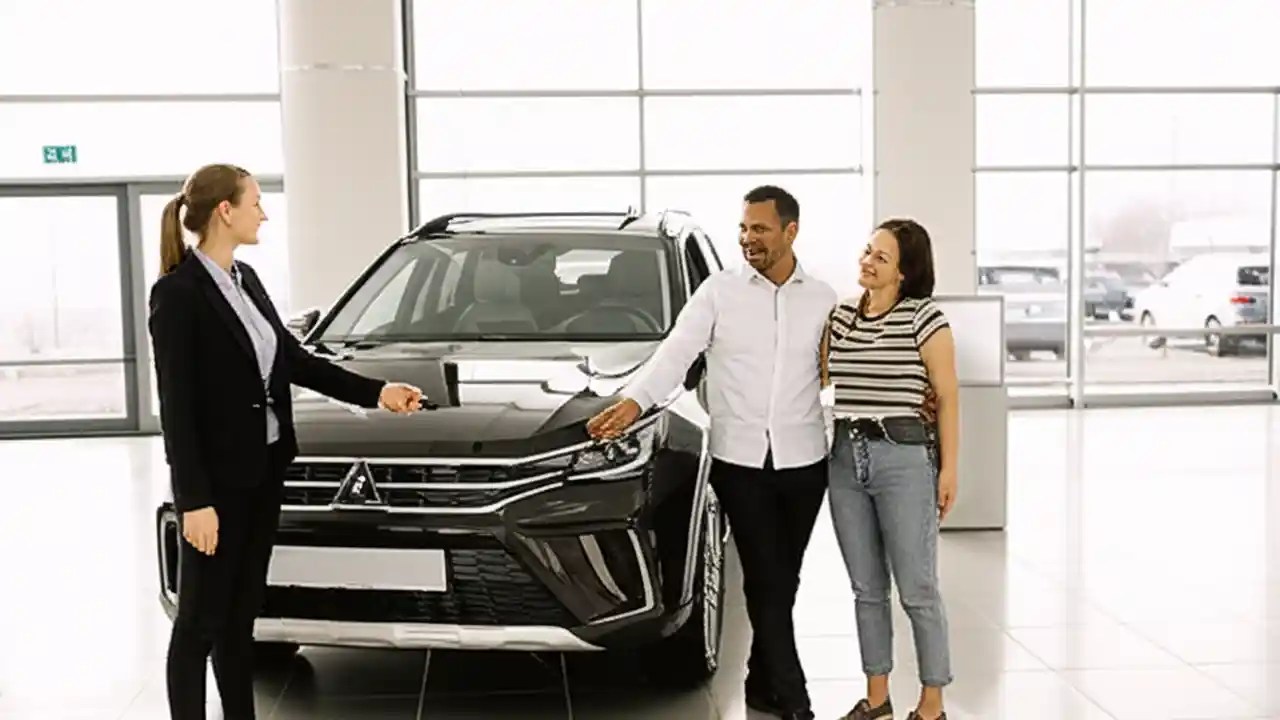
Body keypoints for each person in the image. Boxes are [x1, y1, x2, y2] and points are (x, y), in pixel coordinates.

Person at [149, 163, 424, 720]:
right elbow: (176, 410)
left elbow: (293, 360)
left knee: (240, 616)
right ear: (225, 211)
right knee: (199, 621)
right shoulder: (178, 295)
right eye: (254, 203)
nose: (263, 213)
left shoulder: (246, 280)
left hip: (264, 472)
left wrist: (377, 392)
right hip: (216, 488)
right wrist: (193, 501)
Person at [588, 185, 835, 720]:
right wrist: (634, 403)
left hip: (805, 461)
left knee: (782, 581)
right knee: (767, 579)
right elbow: (675, 352)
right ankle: (796, 702)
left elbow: (841, 368)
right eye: (744, 228)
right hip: (739, 461)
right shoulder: (718, 292)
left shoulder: (822, 298)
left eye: (760, 229)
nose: (748, 239)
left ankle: (759, 683)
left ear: (790, 231)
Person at [821, 218, 959, 720]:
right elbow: (817, 381)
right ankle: (876, 699)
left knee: (918, 588)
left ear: (905, 272)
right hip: (843, 457)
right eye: (866, 251)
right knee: (867, 588)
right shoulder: (839, 318)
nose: (867, 261)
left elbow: (946, 398)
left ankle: (932, 704)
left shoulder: (926, 318)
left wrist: (948, 470)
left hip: (903, 457)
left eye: (881, 257)